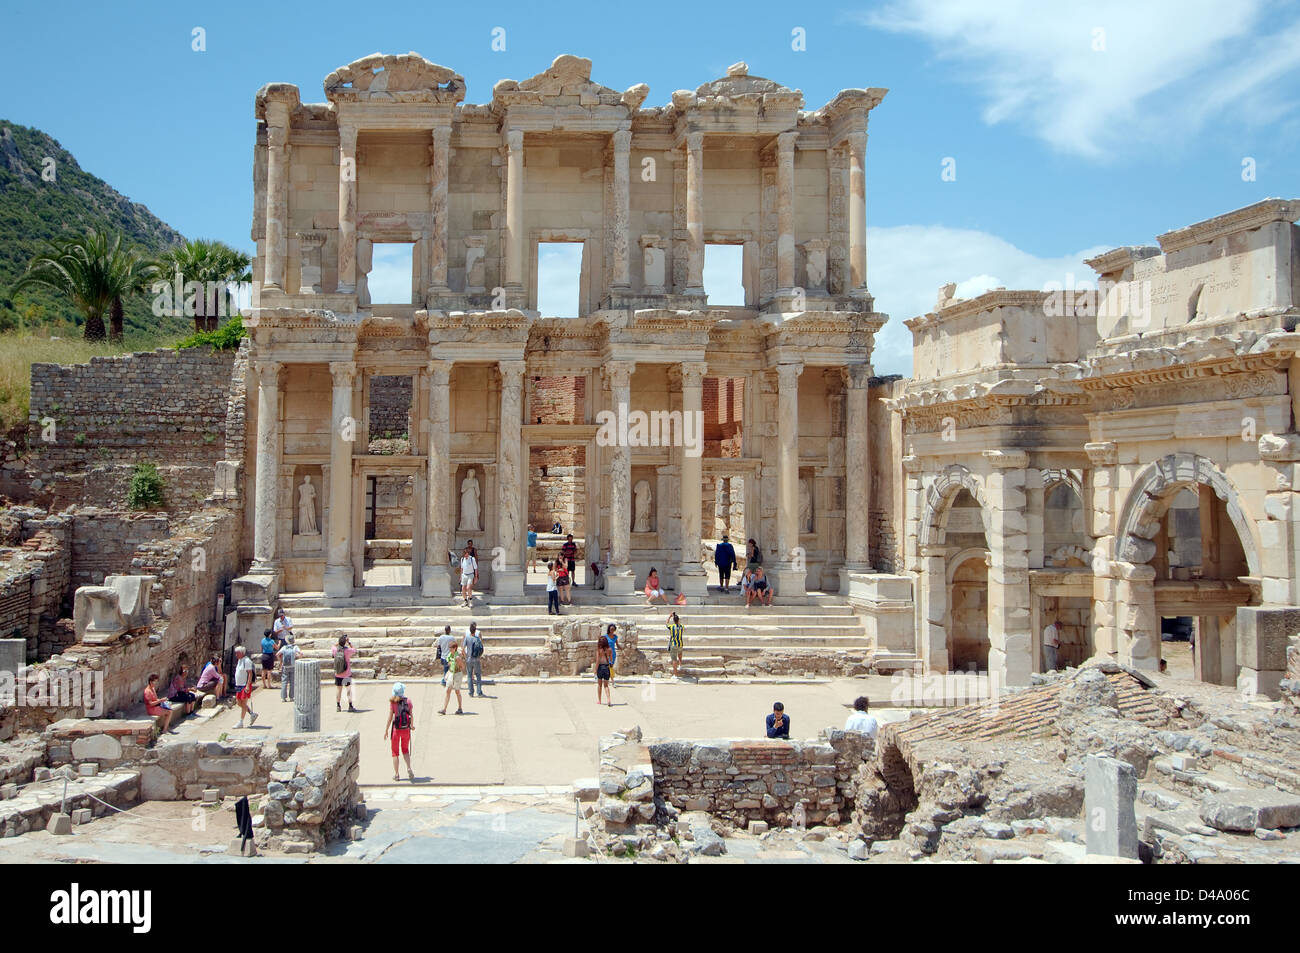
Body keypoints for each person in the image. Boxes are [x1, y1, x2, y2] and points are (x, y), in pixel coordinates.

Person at [384, 682, 416, 782]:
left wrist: (386, 730)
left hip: (396, 730)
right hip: (406, 729)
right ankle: (409, 768)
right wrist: (411, 726)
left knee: (395, 752)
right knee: (405, 750)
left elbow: (390, 718)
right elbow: (411, 715)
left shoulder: (393, 703)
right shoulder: (408, 701)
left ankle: (397, 774)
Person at [233, 645, 258, 729]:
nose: (236, 655)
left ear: (242, 653)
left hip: (244, 685)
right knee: (238, 702)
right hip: (239, 685)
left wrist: (248, 685)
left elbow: (250, 673)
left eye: (237, 653)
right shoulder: (240, 660)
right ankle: (252, 714)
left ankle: (241, 722)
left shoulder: (246, 661)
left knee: (243, 703)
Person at [332, 634, 358, 713]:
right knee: (348, 690)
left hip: (338, 673)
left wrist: (339, 642)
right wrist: (349, 642)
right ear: (345, 643)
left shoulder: (335, 650)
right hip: (346, 673)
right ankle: (350, 705)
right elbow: (354, 650)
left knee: (338, 690)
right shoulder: (347, 650)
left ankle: (338, 706)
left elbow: (333, 646)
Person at [440, 638, 465, 715]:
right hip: (451, 673)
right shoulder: (450, 655)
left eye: (451, 648)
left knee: (457, 691)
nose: (449, 649)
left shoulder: (457, 657)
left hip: (457, 674)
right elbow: (449, 663)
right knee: (448, 691)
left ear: (455, 648)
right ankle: (444, 709)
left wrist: (457, 667)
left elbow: (462, 667)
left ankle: (460, 708)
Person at [276, 634, 300, 702]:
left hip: (285, 666)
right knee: (292, 682)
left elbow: (277, 654)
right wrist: (297, 658)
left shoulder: (284, 647)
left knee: (284, 682)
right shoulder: (295, 647)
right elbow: (300, 654)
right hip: (293, 666)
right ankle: (291, 697)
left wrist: (280, 661)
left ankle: (283, 697)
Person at [464, 622, 485, 698]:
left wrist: (466, 656)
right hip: (476, 659)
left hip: (469, 659)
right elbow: (482, 649)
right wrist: (479, 656)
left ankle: (471, 692)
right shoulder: (477, 639)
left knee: (469, 676)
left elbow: (463, 648)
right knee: (478, 675)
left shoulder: (467, 638)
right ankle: (479, 692)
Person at [595, 635, 613, 707]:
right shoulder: (610, 649)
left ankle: (599, 700)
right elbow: (611, 659)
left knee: (599, 685)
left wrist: (595, 670)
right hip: (606, 668)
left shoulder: (599, 650)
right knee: (606, 685)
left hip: (600, 667)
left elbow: (598, 661)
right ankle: (608, 699)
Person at [667, 612, 685, 678]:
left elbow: (667, 623)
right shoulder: (681, 626)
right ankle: (680, 665)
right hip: (680, 643)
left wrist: (670, 616)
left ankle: (675, 674)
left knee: (674, 659)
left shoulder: (671, 627)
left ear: (673, 620)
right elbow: (679, 624)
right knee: (680, 654)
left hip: (673, 644)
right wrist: (676, 618)